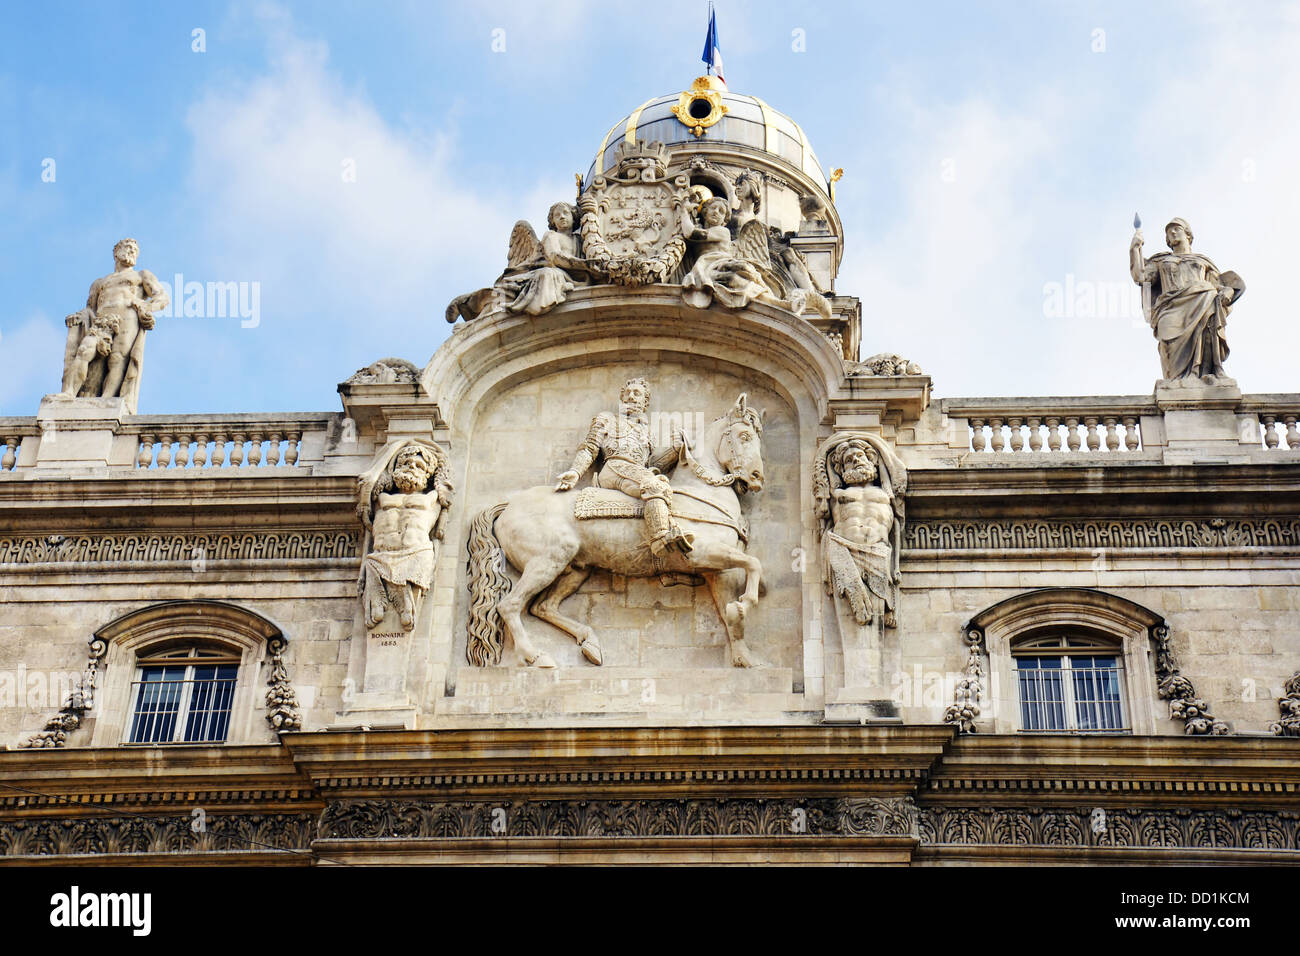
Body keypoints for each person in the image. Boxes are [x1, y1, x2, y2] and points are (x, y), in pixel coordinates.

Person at [554, 377, 693, 556]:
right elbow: (590, 448)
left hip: (635, 472)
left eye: (637, 393)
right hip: (613, 467)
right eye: (627, 393)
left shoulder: (647, 430)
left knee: (657, 485)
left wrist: (676, 449)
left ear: (645, 402)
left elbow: (652, 464)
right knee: (654, 484)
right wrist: (575, 472)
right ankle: (660, 540)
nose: (631, 397)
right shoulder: (607, 419)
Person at [1130, 218, 1243, 386]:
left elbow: (1218, 284)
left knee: (1207, 323)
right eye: (1169, 232)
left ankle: (1205, 373)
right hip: (1170, 307)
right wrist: (1135, 248)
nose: (1172, 233)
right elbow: (1141, 277)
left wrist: (1228, 290)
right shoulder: (1161, 261)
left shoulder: (1203, 261)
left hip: (1203, 300)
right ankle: (1177, 380)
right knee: (1169, 343)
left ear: (1188, 234)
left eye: (1177, 229)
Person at [61, 238, 169, 409]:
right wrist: (81, 317)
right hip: (101, 321)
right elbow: (90, 308)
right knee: (84, 350)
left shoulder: (141, 276)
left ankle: (107, 401)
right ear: (116, 252)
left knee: (117, 359)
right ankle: (68, 392)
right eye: (128, 247)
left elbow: (163, 297)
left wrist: (146, 307)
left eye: (135, 250)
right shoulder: (99, 283)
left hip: (127, 317)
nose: (132, 251)